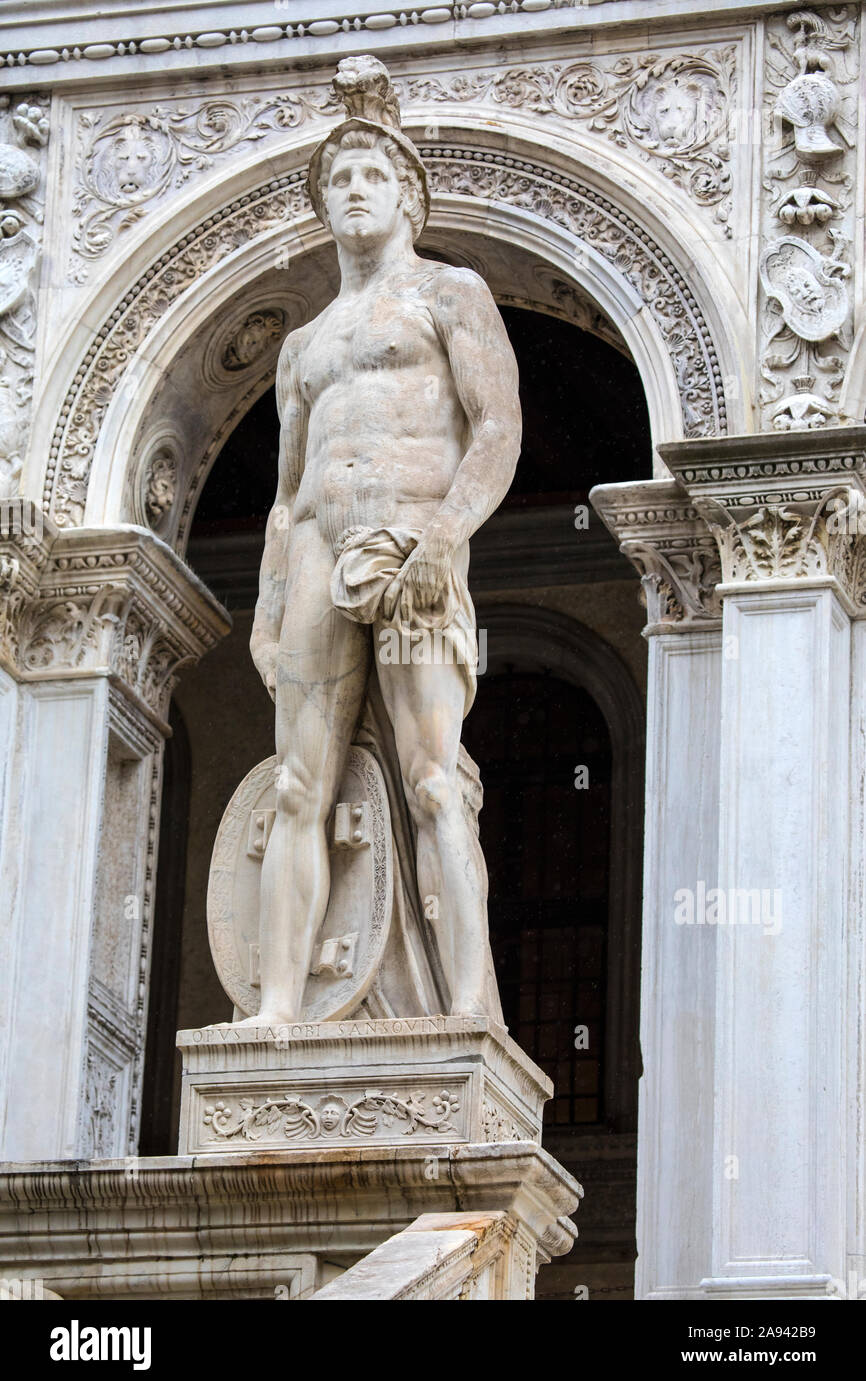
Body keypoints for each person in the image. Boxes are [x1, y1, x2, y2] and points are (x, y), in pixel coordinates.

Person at [247, 56, 521, 1024]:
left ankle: (467, 1012)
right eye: (337, 181)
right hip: (322, 550)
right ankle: (275, 1008)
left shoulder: (450, 294)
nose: (352, 192)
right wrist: (270, 603)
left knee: (435, 781)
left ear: (407, 197)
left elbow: (495, 430)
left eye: (370, 177)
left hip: (413, 545)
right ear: (322, 206)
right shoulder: (302, 343)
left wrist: (444, 540)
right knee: (294, 786)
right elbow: (284, 495)